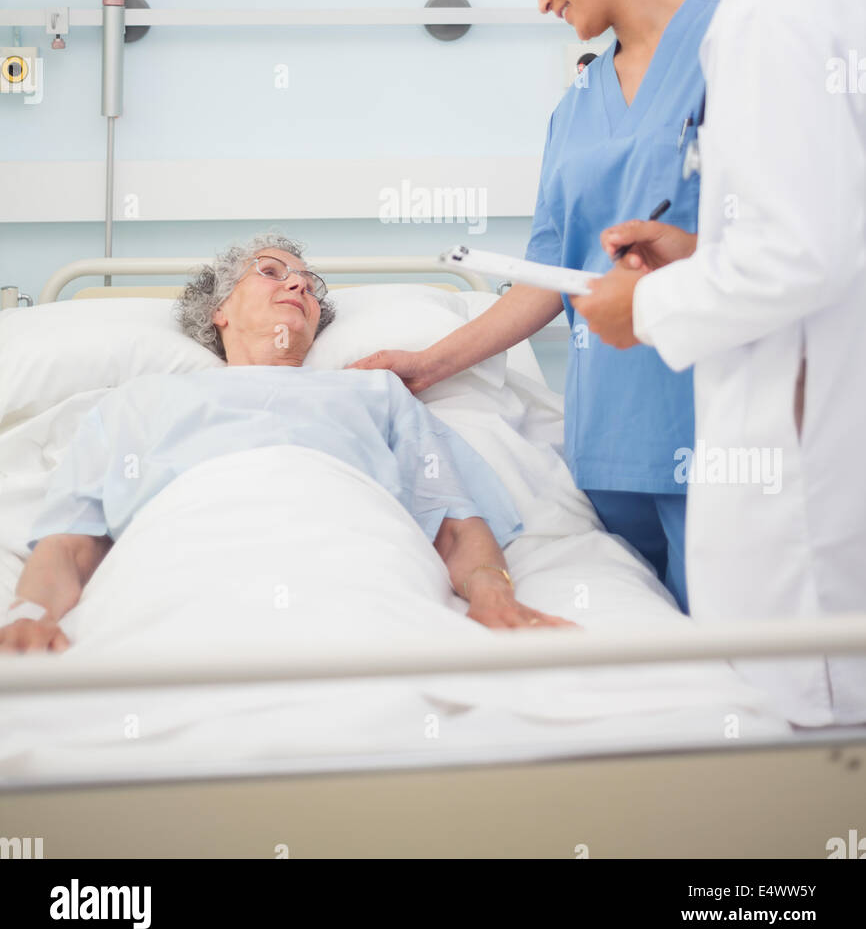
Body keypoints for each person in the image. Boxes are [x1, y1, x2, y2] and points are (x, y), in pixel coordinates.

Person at [570, 0, 866, 726]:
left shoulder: (765, 11)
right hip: (829, 396)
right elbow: (830, 220)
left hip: (804, 470)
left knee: (806, 753)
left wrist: (642, 304)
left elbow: (800, 253)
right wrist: (700, 255)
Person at [350, 0, 718, 614]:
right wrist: (428, 363)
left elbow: (793, 230)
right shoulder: (575, 109)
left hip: (714, 420)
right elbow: (546, 277)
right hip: (609, 438)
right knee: (640, 651)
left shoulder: (731, 48)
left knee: (747, 669)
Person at [1, 233, 575, 654]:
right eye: (272, 272)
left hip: (356, 549)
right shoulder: (138, 401)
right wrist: (30, 613)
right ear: (219, 310)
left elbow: (457, 525)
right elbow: (69, 544)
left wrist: (492, 596)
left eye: (309, 284)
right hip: (184, 551)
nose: (299, 284)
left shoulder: (375, 394)